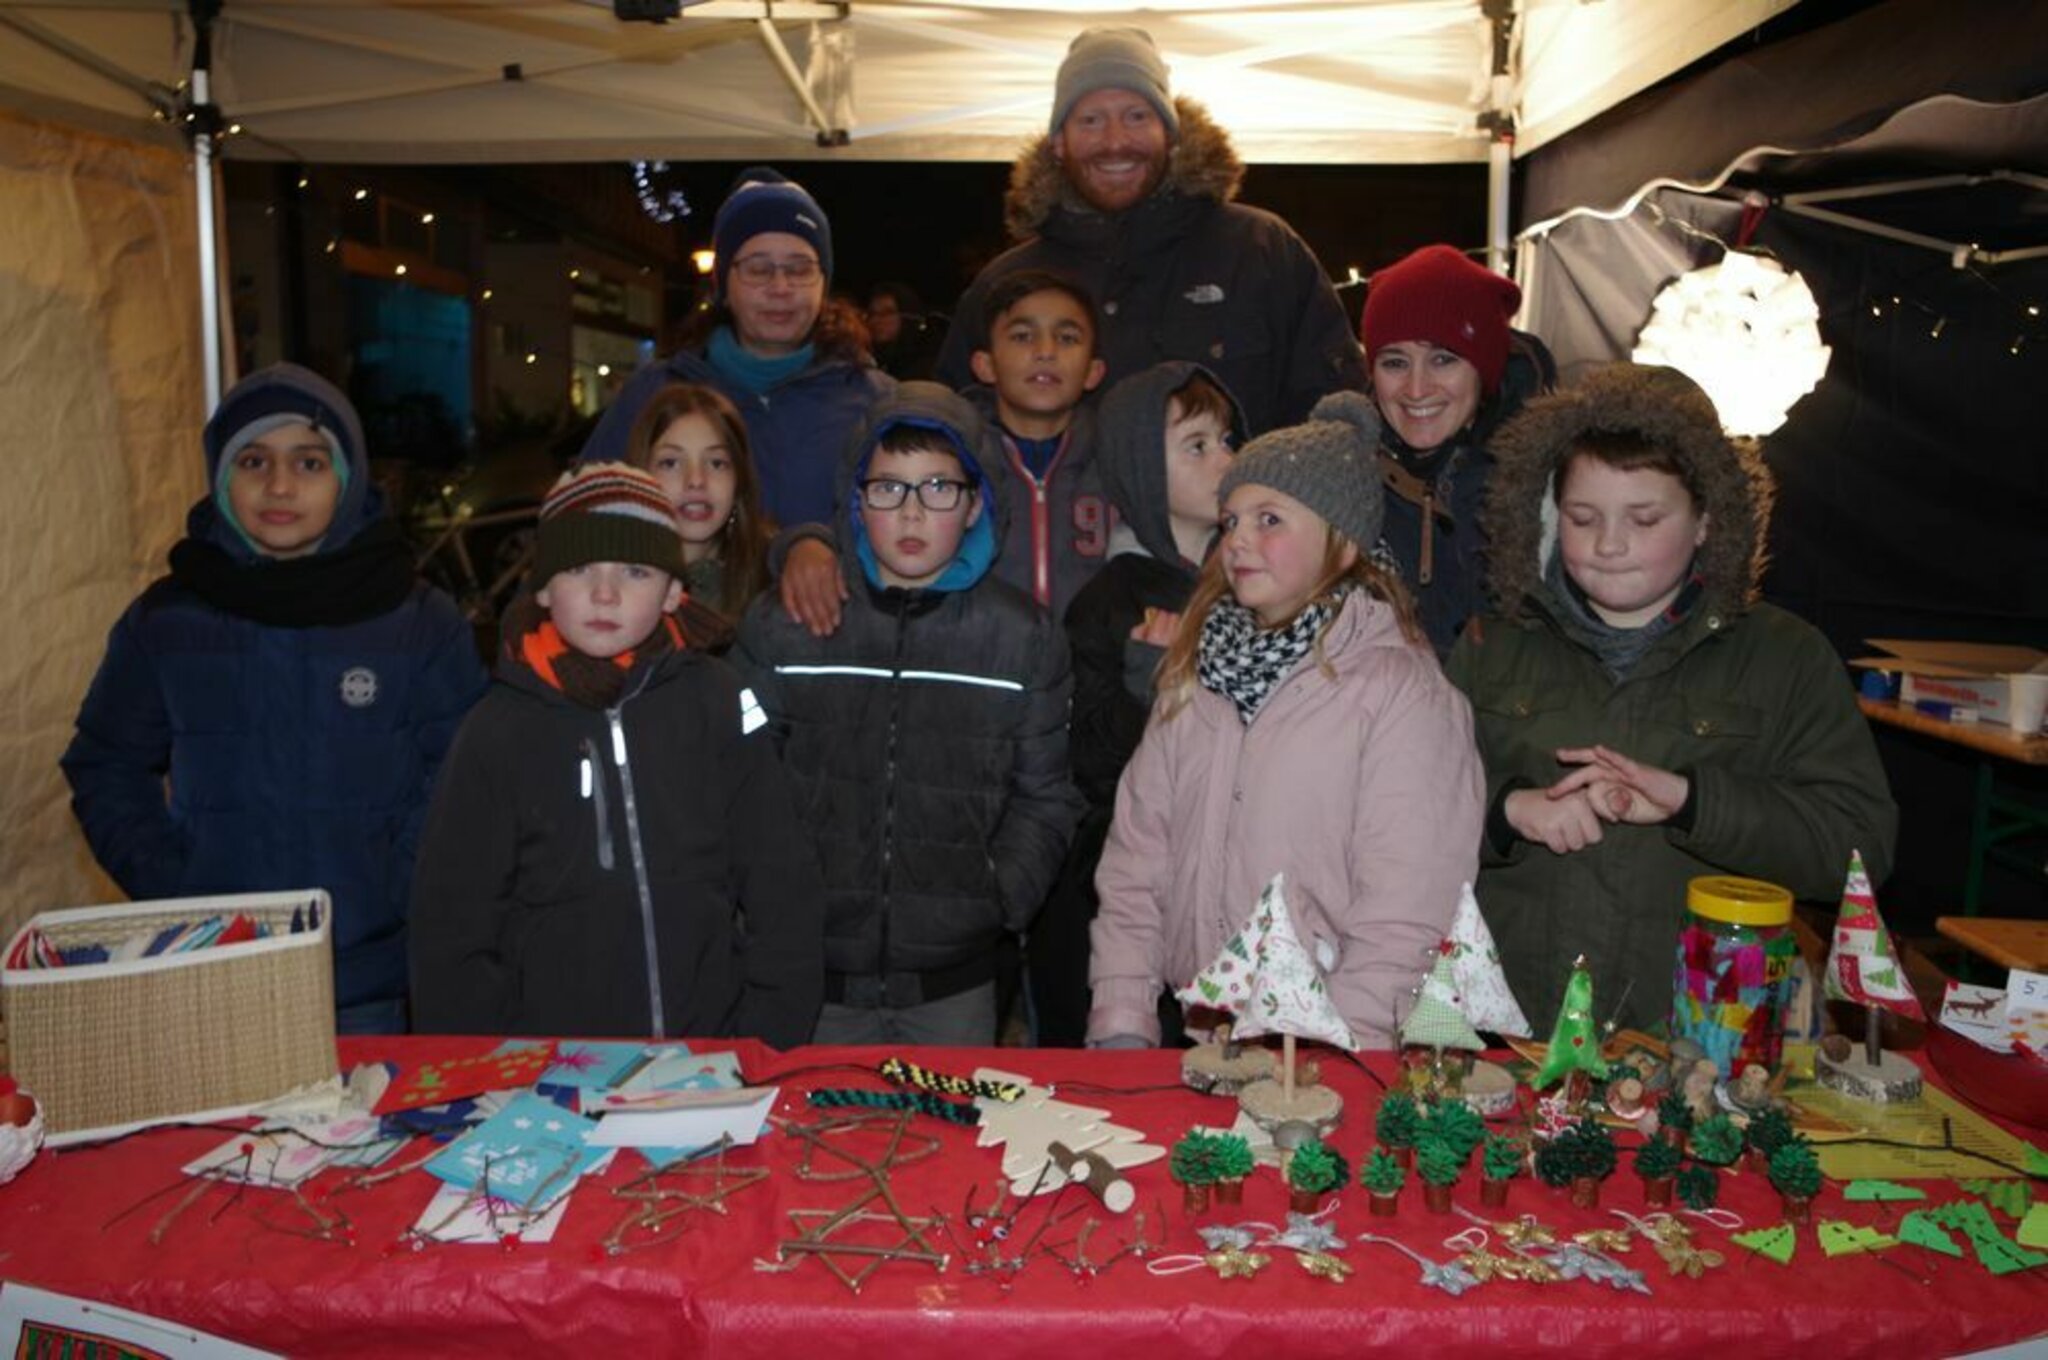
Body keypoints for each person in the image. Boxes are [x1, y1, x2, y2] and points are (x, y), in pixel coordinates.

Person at [1444, 363, 1898, 1030]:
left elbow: (1859, 851)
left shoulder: (1785, 659)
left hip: (1698, 1047)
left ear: (1709, 521)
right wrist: (1506, 812)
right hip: (1507, 1035)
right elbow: (1402, 812)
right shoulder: (1492, 646)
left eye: (1645, 517)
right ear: (1546, 513)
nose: (1609, 544)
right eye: (1582, 516)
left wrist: (1695, 802)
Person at [62, 364, 488, 1034]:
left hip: (371, 984)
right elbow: (105, 764)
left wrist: (398, 886)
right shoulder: (169, 622)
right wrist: (180, 891)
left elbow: (467, 771)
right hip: (215, 974)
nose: (280, 485)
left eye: (309, 462)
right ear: (220, 474)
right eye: (254, 460)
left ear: (346, 478)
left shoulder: (414, 618)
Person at [1088, 391, 1485, 1049]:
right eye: (1231, 520)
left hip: (1323, 1056)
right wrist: (1122, 1018)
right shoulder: (1198, 670)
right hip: (1204, 1041)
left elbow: (1407, 914)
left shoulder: (1401, 695)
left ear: (1343, 541)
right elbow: (1137, 862)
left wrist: (1333, 1058)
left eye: (1269, 519)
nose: (1239, 540)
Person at [409, 464, 823, 1044]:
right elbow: (453, 920)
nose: (605, 594)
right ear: (545, 588)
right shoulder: (496, 730)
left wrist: (769, 1033)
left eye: (635, 570)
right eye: (579, 569)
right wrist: (486, 1064)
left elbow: (781, 877)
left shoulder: (717, 701)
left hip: (712, 1049)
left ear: (675, 590)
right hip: (550, 1070)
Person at [734, 383, 1084, 1046]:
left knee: (950, 1141)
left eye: (939, 489)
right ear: (856, 503)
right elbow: (739, 778)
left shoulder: (1023, 639)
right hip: (807, 975)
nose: (914, 513)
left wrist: (998, 898)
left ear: (976, 503)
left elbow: (1046, 796)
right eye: (889, 489)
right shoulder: (789, 626)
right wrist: (767, 900)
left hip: (955, 985)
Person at [935, 25, 1362, 438]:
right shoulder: (1005, 284)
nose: (1115, 141)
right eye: (1090, 120)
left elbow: (1336, 412)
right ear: (1058, 143)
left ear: (1170, 135)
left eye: (1137, 116)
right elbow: (953, 435)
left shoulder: (1262, 249)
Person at [1033, 361, 1242, 1046]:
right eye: (1198, 445)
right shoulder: (1108, 602)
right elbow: (1090, 760)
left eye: (1227, 439)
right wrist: (1148, 680)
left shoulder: (1256, 585)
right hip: (1125, 887)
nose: (1228, 459)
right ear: (1141, 472)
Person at [776, 269, 1113, 635]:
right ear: (984, 365)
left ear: (1094, 371)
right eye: (1022, 336)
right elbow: (867, 512)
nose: (1045, 352)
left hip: (1094, 675)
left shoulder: (1119, 459)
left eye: (1067, 337)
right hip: (977, 665)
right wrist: (808, 542)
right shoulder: (949, 450)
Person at [580, 168, 893, 528]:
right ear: (722, 287)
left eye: (800, 268)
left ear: (823, 283)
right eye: (758, 269)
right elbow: (579, 526)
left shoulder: (876, 403)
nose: (781, 286)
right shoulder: (653, 393)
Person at [1360, 244, 1556, 658]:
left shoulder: (1552, 477)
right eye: (1394, 363)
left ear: (1484, 369)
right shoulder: (1344, 478)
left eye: (1443, 360)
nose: (1416, 389)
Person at [621, 381, 771, 627]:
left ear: (739, 480)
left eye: (716, 463)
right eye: (670, 463)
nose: (696, 481)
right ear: (639, 473)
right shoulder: (601, 582)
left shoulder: (773, 580)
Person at [867, 281, 941, 381]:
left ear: (907, 316)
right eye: (872, 314)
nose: (876, 320)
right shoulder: (872, 361)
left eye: (887, 313)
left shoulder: (929, 366)